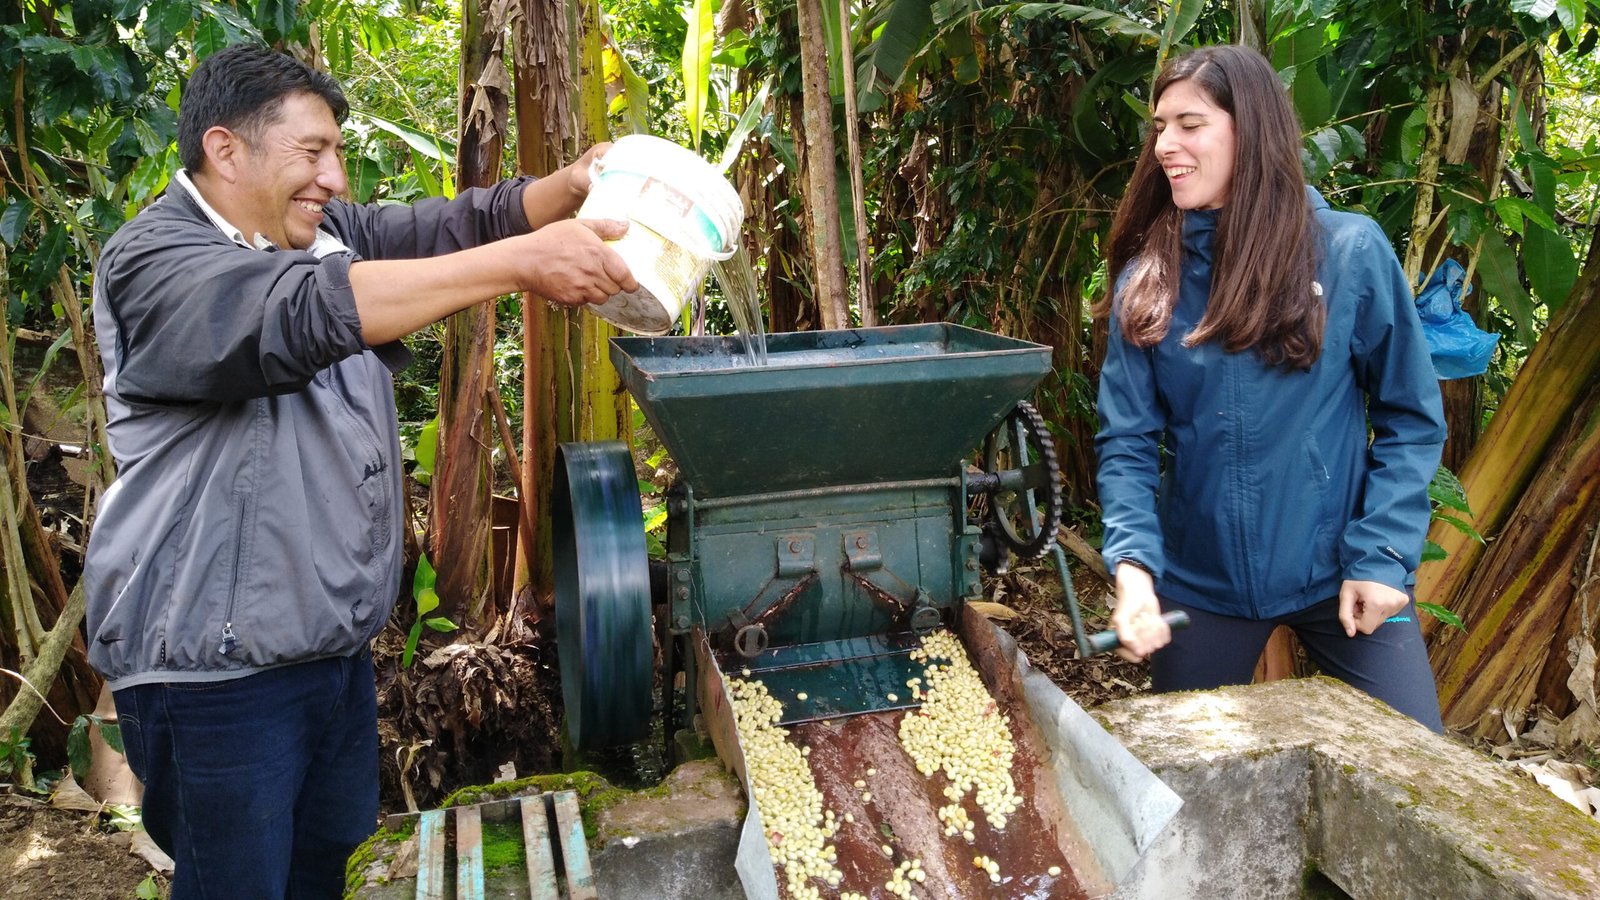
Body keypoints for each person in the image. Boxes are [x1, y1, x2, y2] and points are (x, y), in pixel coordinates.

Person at [82, 44, 638, 898]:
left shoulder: (317, 235)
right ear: (226, 150)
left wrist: (568, 186)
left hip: (329, 659)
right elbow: (298, 316)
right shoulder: (157, 262)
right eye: (313, 153)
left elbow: (454, 224)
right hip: (216, 678)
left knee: (321, 877)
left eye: (336, 153)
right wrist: (523, 266)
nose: (335, 179)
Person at [1094, 44, 1447, 733]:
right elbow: (1126, 442)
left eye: (1189, 124)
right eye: (1160, 127)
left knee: (1425, 769)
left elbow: (1410, 416)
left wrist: (1382, 557)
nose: (1166, 145)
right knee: (1186, 794)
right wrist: (1134, 571)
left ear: (1247, 130)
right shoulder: (1148, 281)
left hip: (1339, 570)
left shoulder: (1349, 253)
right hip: (1201, 586)